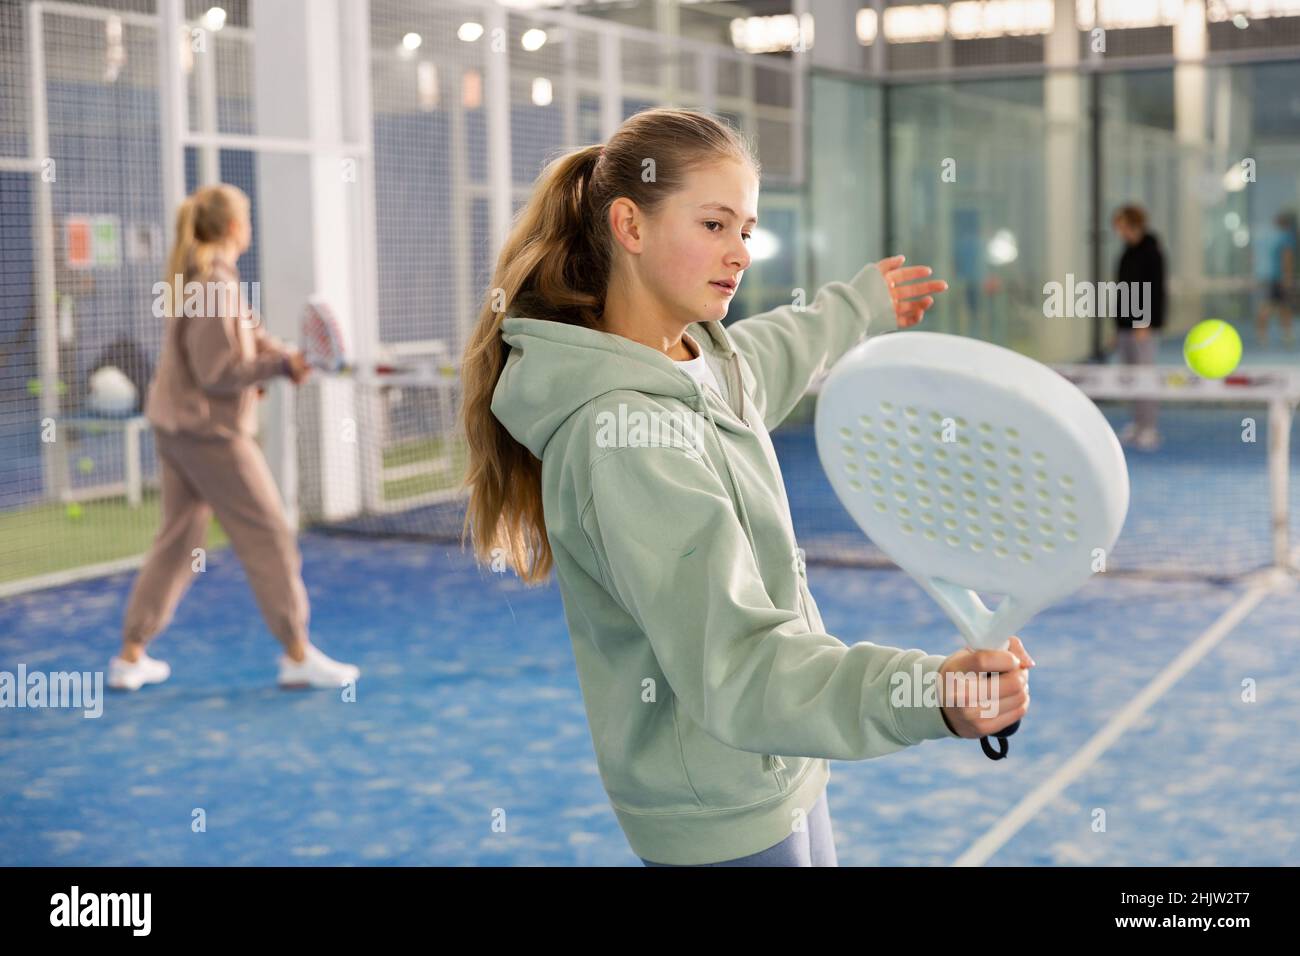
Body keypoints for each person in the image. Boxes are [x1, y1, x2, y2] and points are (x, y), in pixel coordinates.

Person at [459, 108, 1033, 867]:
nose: (741, 253)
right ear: (629, 226)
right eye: (714, 225)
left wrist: (856, 308)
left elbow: (767, 354)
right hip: (717, 815)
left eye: (747, 230)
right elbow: (739, 666)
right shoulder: (624, 442)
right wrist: (929, 696)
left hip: (780, 768)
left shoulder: (700, 363)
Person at [110, 184, 360, 691]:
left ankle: (131, 656)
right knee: (269, 534)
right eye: (246, 218)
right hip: (209, 436)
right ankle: (296, 656)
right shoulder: (215, 284)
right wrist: (277, 366)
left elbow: (246, 336)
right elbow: (218, 371)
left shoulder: (208, 279)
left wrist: (285, 360)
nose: (249, 226)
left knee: (177, 543)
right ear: (232, 228)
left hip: (177, 428)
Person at [1112, 204, 1166, 450]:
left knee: (1145, 377)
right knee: (1131, 378)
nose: (1118, 230)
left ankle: (1149, 428)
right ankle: (1137, 423)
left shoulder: (1151, 252)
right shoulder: (1126, 252)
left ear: (1134, 224)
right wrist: (1118, 326)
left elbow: (1155, 291)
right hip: (1125, 325)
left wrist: (1144, 322)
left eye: (1121, 224)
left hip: (1143, 326)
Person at [1255, 210, 1296, 348]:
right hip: (1278, 278)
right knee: (1275, 306)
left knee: (1277, 306)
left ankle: (1263, 336)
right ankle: (1286, 335)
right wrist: (1288, 278)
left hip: (1264, 276)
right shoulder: (1286, 236)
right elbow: (1287, 258)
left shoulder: (1266, 236)